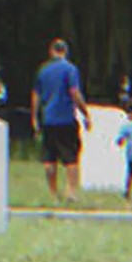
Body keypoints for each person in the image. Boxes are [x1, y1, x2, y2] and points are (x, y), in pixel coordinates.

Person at [31, 38, 92, 201]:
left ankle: (53, 193)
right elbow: (74, 92)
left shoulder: (43, 70)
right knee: (71, 157)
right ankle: (71, 191)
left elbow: (36, 95)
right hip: (65, 118)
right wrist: (86, 113)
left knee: (49, 158)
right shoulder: (70, 69)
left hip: (48, 119)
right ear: (65, 52)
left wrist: (35, 117)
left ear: (51, 51)